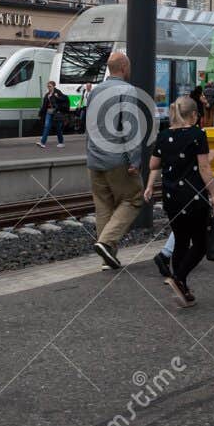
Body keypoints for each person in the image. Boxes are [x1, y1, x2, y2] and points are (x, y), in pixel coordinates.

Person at [143, 96, 214, 307]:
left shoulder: (164, 135)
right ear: (194, 115)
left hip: (171, 198)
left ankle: (182, 289)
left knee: (181, 241)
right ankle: (178, 278)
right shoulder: (197, 135)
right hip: (194, 198)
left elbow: (154, 164)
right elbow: (204, 168)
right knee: (201, 243)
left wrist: (149, 186)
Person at [84, 50, 149, 269]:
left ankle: (106, 259)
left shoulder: (95, 92)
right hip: (117, 159)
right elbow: (130, 128)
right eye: (128, 67)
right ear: (123, 68)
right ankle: (105, 242)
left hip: (95, 158)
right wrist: (135, 160)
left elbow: (89, 127)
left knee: (103, 206)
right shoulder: (127, 90)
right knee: (134, 198)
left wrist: (90, 155)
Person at [37, 80, 70, 148]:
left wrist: (57, 97)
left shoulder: (57, 92)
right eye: (48, 86)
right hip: (49, 112)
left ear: (54, 86)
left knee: (58, 128)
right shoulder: (47, 94)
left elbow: (65, 99)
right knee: (47, 126)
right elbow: (44, 106)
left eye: (50, 86)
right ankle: (42, 142)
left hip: (56, 112)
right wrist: (40, 114)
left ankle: (61, 142)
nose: (49, 88)